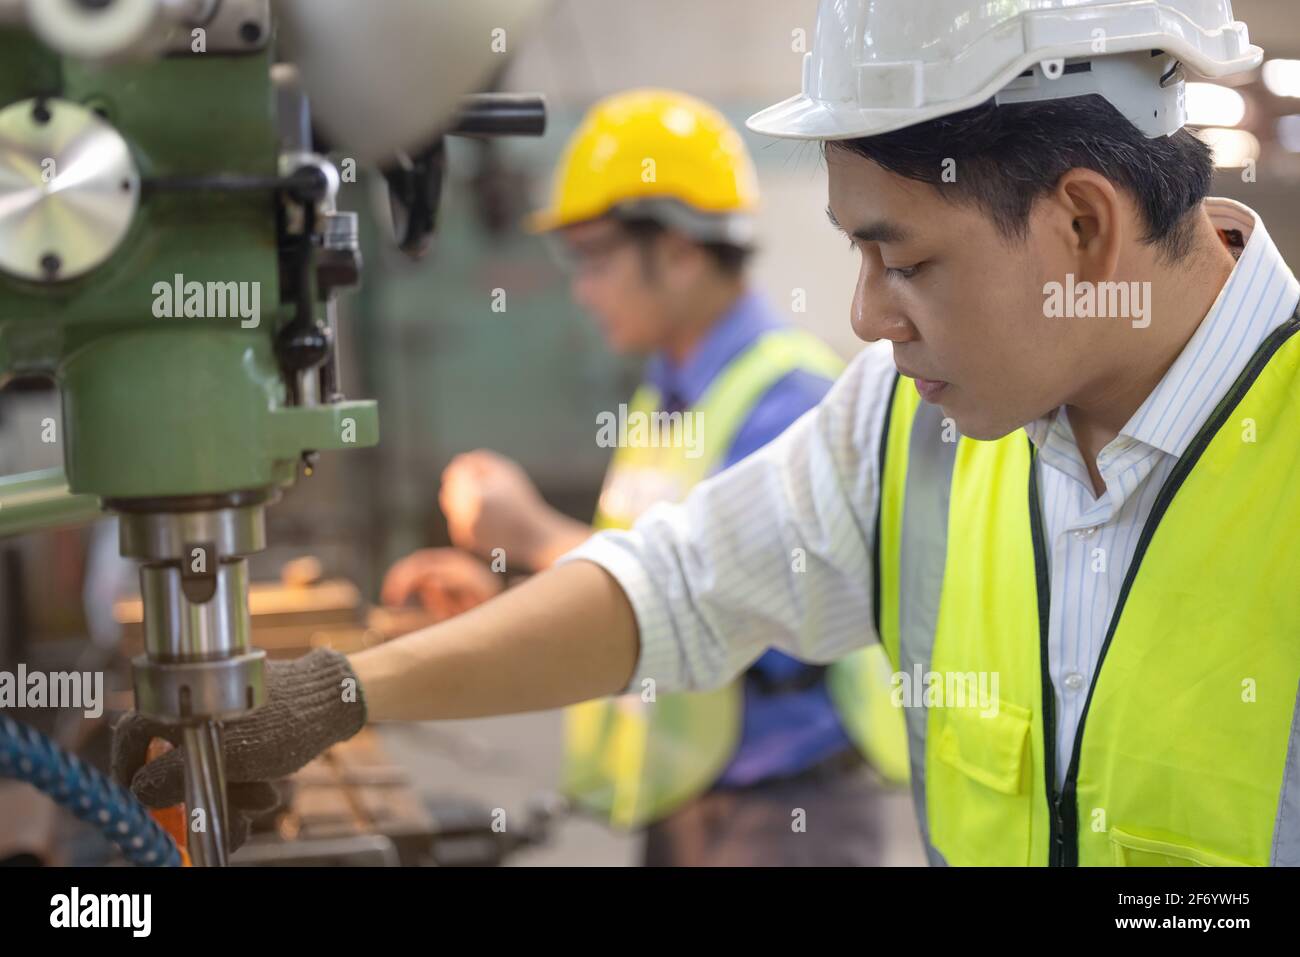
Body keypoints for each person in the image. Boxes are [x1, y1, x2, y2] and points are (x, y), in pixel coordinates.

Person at [114, 0, 1300, 866]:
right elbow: (673, 588)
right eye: (856, 254)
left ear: (1081, 226)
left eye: (908, 259)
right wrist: (341, 695)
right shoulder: (903, 431)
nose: (865, 314)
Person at [380, 89, 907, 866]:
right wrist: (516, 601)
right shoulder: (671, 386)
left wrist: (532, 535)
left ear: (681, 251)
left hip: (786, 812)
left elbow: (742, 610)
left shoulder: (784, 398)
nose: (581, 288)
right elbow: (640, 555)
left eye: (595, 257)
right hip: (689, 795)